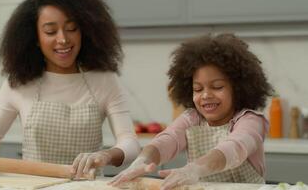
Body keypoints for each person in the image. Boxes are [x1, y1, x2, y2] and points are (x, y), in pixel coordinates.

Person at [0, 0, 140, 179]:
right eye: (50, 31)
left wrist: (105, 155)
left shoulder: (104, 80)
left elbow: (130, 143)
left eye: (72, 28)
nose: (63, 39)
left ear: (85, 31)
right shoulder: (19, 83)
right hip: (31, 185)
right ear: (35, 38)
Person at [110, 33, 274, 190]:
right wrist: (142, 160)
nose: (206, 95)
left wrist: (195, 169)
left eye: (217, 87)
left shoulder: (251, 121)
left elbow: (235, 147)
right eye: (198, 89)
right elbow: (167, 140)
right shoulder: (192, 118)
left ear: (238, 88)